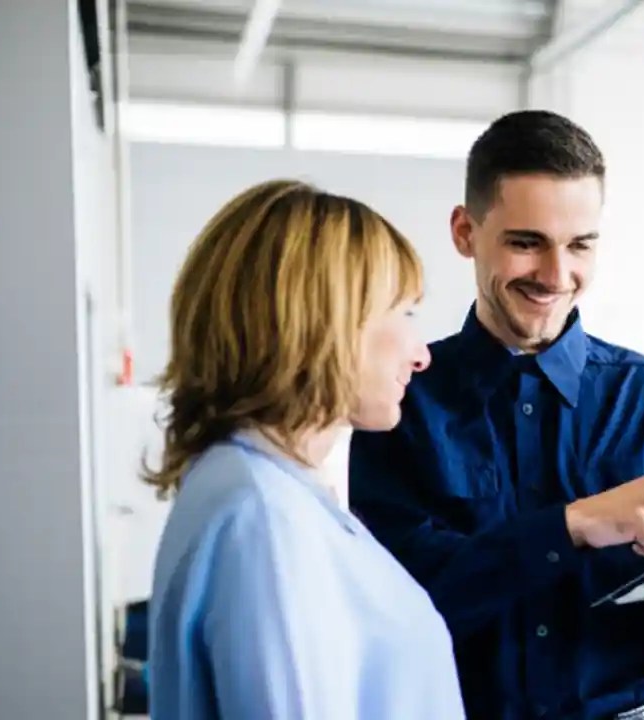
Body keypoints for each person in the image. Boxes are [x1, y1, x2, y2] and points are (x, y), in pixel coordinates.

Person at [349, 110, 644, 720]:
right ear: (465, 232)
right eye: (526, 243)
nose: (555, 276)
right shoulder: (398, 403)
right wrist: (572, 525)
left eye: (580, 246)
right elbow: (397, 605)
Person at [144, 179, 465, 720]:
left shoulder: (263, 489)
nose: (421, 354)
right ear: (327, 321)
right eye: (405, 313)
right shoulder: (264, 517)